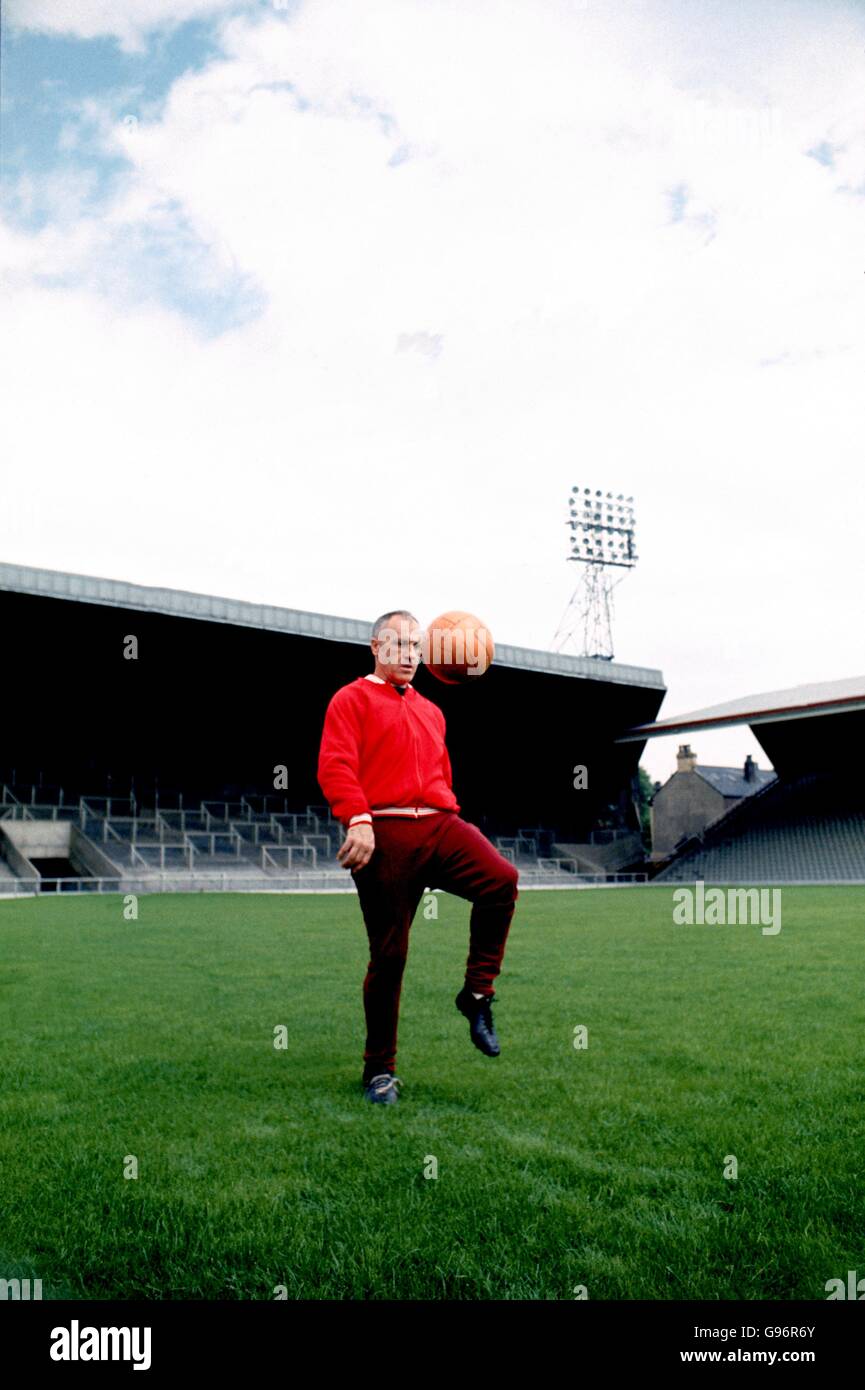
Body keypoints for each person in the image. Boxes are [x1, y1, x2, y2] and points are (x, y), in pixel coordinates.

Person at [316, 610, 520, 1104]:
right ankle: (379, 1072)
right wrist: (358, 818)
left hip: (439, 825)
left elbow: (441, 777)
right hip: (383, 835)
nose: (409, 655)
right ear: (376, 647)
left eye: (416, 648)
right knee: (390, 956)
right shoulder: (350, 698)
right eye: (400, 645)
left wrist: (446, 817)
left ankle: (476, 996)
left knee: (501, 880)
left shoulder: (432, 711)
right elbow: (335, 765)